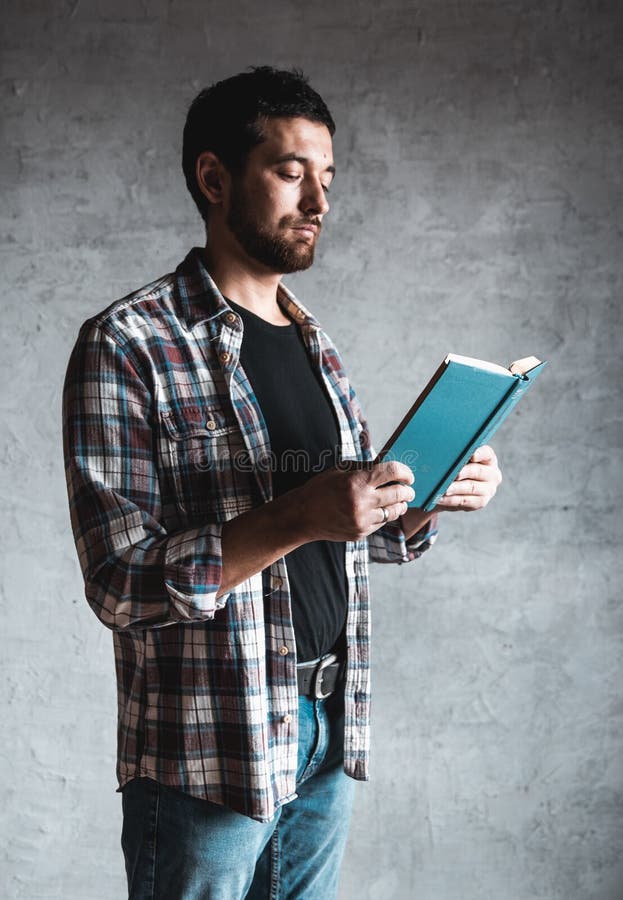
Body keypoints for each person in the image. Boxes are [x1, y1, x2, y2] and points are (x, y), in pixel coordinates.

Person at [62, 66, 502, 900]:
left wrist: (420, 504)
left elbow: (352, 530)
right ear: (215, 177)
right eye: (291, 171)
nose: (319, 201)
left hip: (328, 726)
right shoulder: (127, 342)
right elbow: (119, 585)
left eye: (327, 177)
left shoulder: (315, 343)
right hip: (209, 752)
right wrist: (294, 517)